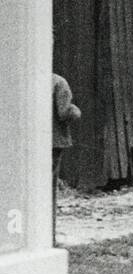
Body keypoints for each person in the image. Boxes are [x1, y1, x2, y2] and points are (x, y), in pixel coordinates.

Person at [51, 73, 81, 245]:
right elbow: (64, 112)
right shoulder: (58, 81)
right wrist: (76, 111)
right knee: (49, 192)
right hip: (53, 143)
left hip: (28, 142)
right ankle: (49, 237)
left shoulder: (25, 81)